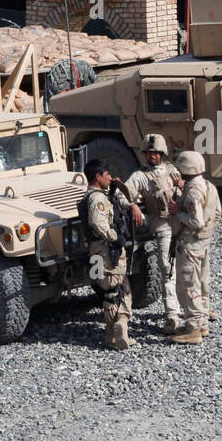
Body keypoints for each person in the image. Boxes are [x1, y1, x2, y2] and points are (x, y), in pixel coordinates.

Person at [81, 158, 146, 350]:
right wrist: (114, 237)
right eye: (107, 175)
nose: (110, 177)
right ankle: (117, 329)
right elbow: (97, 222)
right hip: (105, 251)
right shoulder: (97, 199)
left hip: (100, 251)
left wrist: (117, 185)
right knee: (115, 291)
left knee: (116, 290)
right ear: (97, 176)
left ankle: (116, 331)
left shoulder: (99, 195)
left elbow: (128, 197)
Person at [125, 134, 184, 334]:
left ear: (162, 154)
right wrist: (132, 205)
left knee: (190, 265)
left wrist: (183, 185)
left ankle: (197, 308)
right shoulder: (140, 176)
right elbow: (121, 193)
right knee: (167, 269)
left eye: (156, 153)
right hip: (161, 224)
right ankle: (172, 316)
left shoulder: (172, 170)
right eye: (149, 153)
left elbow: (184, 189)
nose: (152, 156)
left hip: (181, 222)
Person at [167, 150, 222, 345]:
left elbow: (195, 221)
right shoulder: (209, 186)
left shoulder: (192, 192)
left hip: (189, 244)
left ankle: (194, 328)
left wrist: (177, 212)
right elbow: (217, 214)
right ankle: (202, 323)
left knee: (187, 285)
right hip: (204, 243)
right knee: (202, 283)